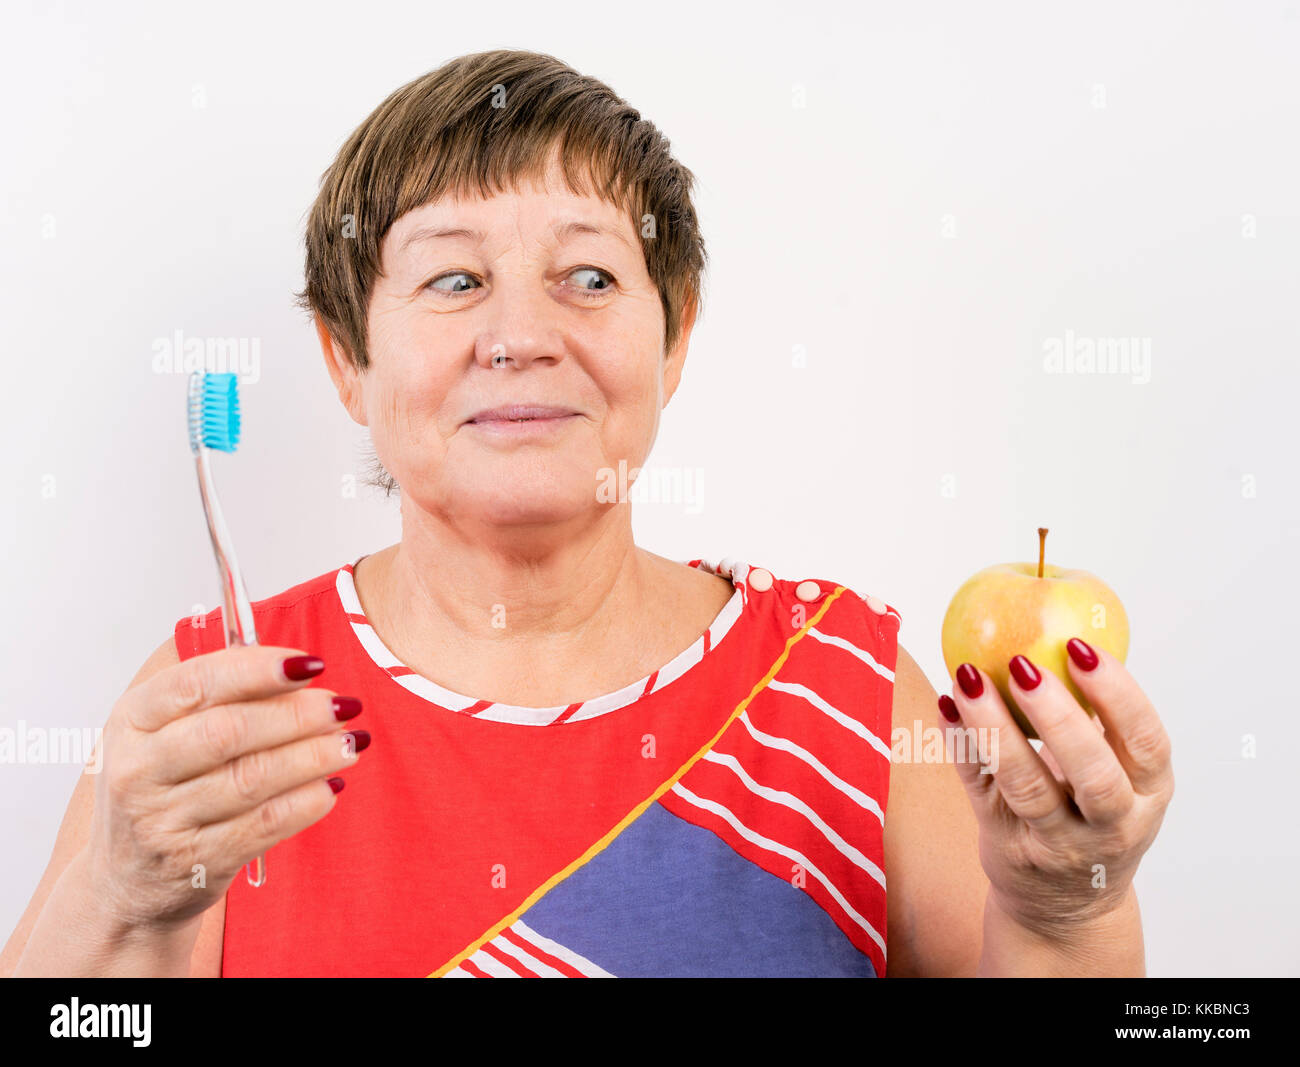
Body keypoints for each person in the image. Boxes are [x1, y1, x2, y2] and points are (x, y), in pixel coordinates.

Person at [2, 48, 1173, 978]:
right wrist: (118, 896)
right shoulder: (223, 704)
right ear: (345, 358)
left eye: (591, 277)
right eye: (454, 279)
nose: (522, 334)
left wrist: (1067, 907)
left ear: (676, 339)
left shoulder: (843, 681)